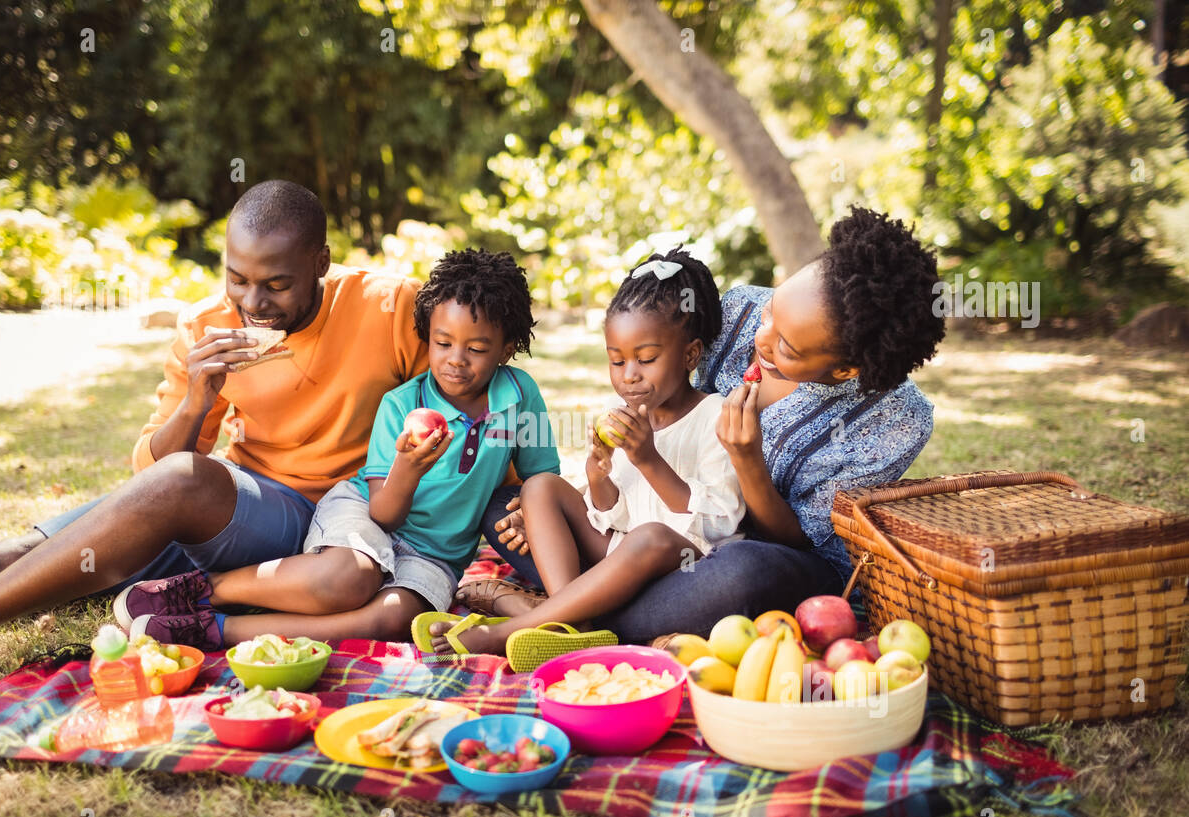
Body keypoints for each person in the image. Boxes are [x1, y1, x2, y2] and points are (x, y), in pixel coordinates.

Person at [0, 180, 430, 672]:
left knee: (182, 482)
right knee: (27, 556)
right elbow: (148, 470)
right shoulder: (204, 325)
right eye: (237, 279)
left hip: (333, 522)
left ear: (321, 263)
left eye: (277, 285)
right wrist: (197, 400)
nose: (253, 304)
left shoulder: (389, 307)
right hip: (232, 514)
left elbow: (452, 411)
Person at [467, 206, 945, 644]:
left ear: (846, 370)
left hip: (739, 556)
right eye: (772, 313)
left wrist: (748, 461)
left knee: (741, 573)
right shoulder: (736, 313)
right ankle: (582, 611)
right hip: (643, 529)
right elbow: (662, 411)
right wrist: (582, 497)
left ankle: (554, 612)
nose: (762, 340)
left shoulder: (894, 420)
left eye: (790, 350)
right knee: (507, 505)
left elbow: (799, 540)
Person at [110, 249, 560, 648]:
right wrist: (407, 467)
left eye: (477, 348)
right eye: (442, 343)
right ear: (427, 338)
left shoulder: (521, 397)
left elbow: (542, 476)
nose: (455, 359)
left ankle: (215, 630)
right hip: (366, 511)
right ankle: (211, 587)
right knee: (346, 580)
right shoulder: (403, 405)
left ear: (507, 349)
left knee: (395, 619)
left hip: (438, 553)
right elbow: (384, 513)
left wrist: (523, 508)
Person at [431, 248, 743, 655]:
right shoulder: (627, 418)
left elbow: (717, 521)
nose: (629, 375)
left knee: (650, 538)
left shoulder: (714, 416)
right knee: (539, 487)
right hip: (618, 554)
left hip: (685, 563)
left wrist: (649, 460)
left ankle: (515, 628)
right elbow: (616, 516)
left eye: (646, 359)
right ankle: (570, 621)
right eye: (617, 361)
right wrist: (599, 480)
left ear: (690, 355)